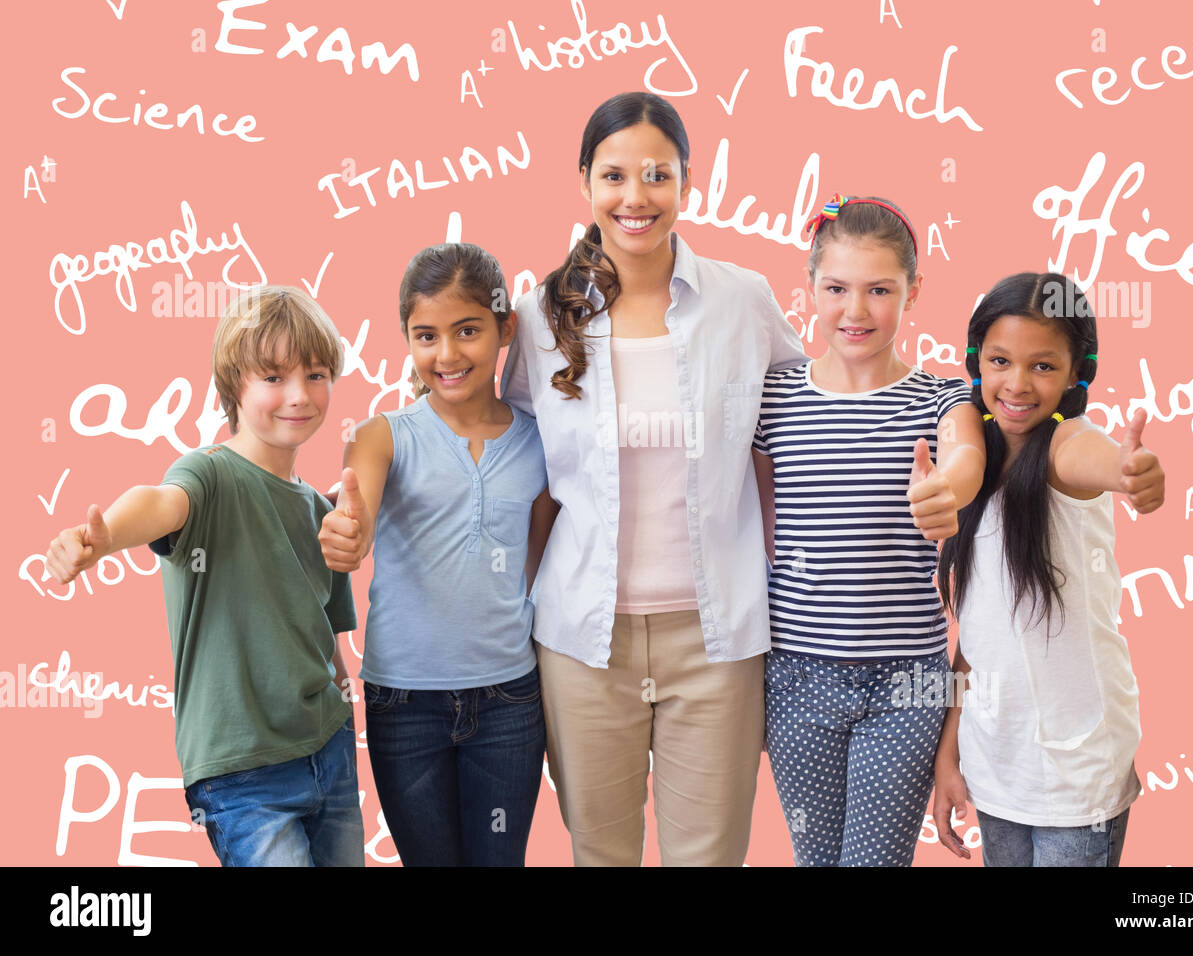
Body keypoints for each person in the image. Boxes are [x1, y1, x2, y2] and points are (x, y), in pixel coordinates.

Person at [498, 90, 808, 866]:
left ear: (687, 183)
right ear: (584, 182)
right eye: (614, 176)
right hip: (580, 640)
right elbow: (516, 462)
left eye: (657, 176)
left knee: (709, 855)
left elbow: (809, 422)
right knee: (600, 854)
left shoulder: (742, 300)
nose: (635, 198)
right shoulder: (541, 316)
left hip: (718, 638)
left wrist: (950, 430)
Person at [43, 285, 362, 867]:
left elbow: (329, 639)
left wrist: (346, 720)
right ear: (233, 384)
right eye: (273, 377)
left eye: (316, 374)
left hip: (329, 752)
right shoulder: (208, 475)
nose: (299, 395)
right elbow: (159, 503)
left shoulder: (322, 511)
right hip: (243, 777)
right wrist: (104, 538)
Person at [753, 194, 987, 866]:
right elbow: (750, 518)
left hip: (907, 684)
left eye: (880, 290)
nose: (856, 312)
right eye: (837, 289)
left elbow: (965, 455)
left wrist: (948, 489)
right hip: (796, 678)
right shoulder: (775, 397)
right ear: (811, 289)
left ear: (914, 291)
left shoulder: (943, 399)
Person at [318, 243, 550, 866]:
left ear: (505, 328)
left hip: (509, 700)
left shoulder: (540, 440)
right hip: (404, 702)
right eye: (426, 336)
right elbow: (356, 506)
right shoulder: (381, 435)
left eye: (467, 331)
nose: (445, 355)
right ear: (408, 340)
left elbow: (540, 560)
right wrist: (351, 529)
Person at [931, 272, 1165, 867]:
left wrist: (1128, 471)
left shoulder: (1067, 447)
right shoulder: (974, 463)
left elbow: (1096, 458)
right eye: (1000, 360)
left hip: (1076, 780)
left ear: (1075, 373)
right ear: (975, 360)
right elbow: (976, 640)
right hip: (997, 768)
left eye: (1043, 366)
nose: (1016, 384)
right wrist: (949, 756)